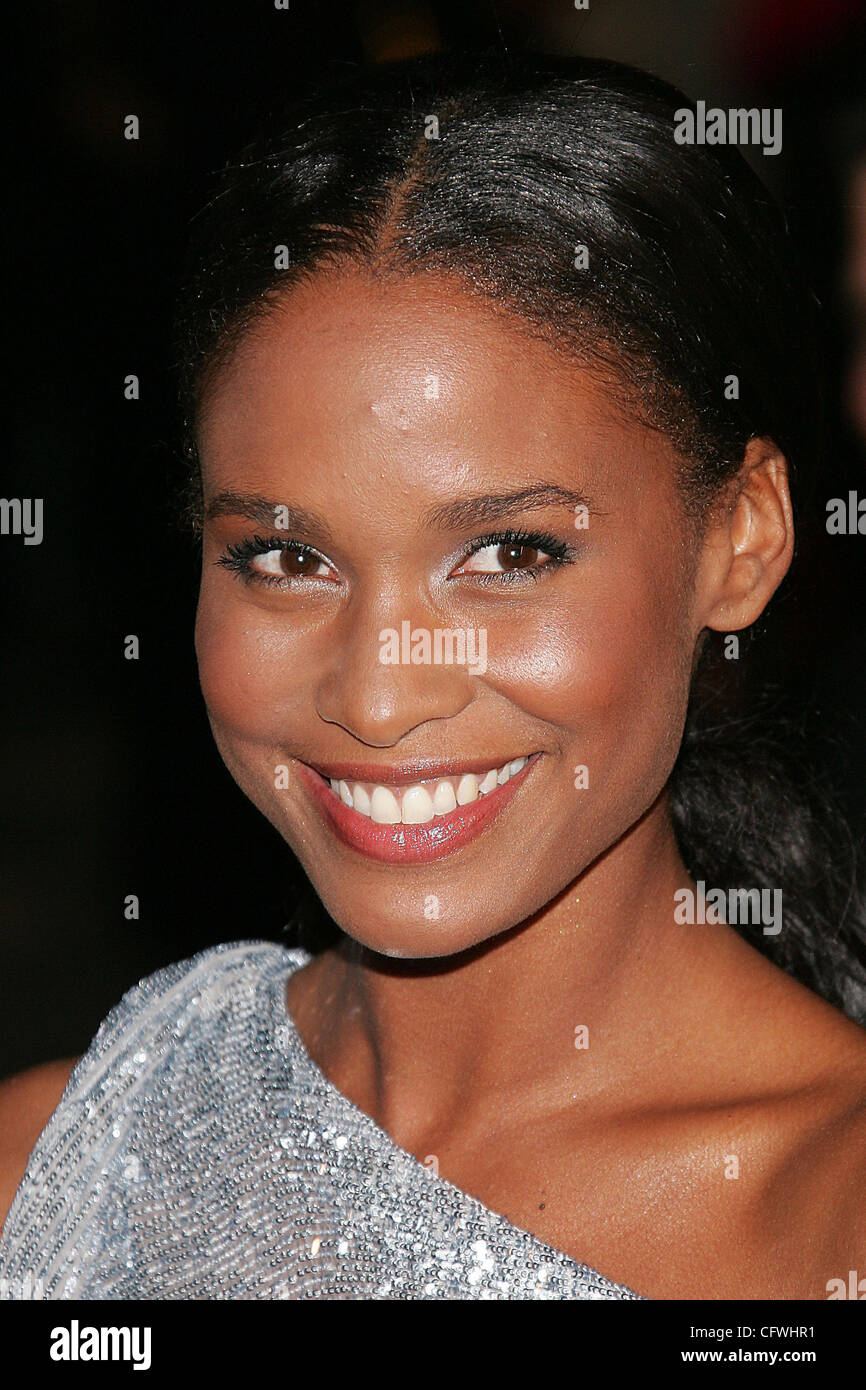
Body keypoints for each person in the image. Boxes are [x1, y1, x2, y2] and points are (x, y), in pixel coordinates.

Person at [2, 49, 866, 1301]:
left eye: (510, 554)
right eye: (286, 556)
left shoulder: (828, 1224)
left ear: (739, 541)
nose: (380, 691)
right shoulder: (51, 1170)